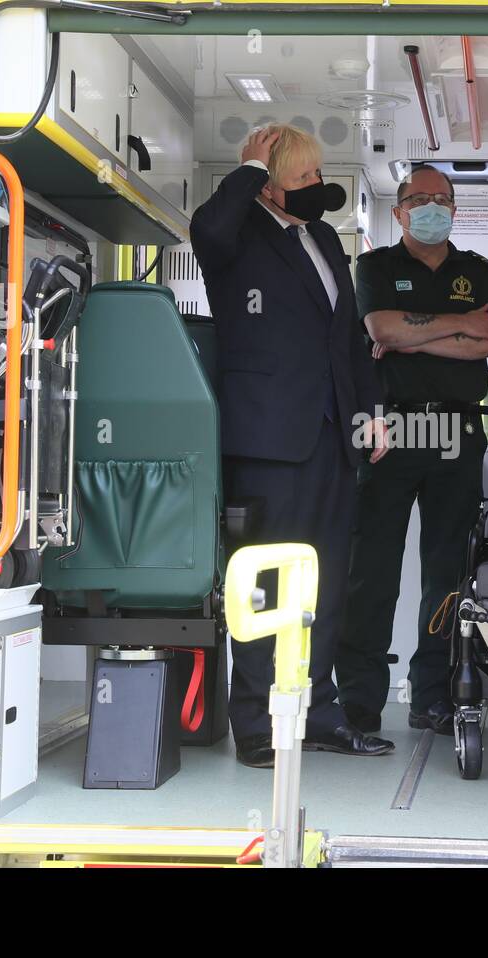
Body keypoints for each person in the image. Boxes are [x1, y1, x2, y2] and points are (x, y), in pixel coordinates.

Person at [190, 124, 395, 768]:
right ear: (270, 184)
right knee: (265, 582)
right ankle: (254, 722)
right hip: (268, 439)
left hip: (334, 436)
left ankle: (318, 713)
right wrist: (248, 166)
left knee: (326, 581)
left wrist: (373, 413)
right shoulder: (235, 236)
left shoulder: (326, 240)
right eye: (302, 178)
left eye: (317, 175)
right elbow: (209, 230)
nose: (315, 187)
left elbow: (349, 340)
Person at [336, 165, 488, 735]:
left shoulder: (478, 271)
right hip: (388, 432)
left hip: (458, 435)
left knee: (448, 572)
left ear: (455, 208)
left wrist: (418, 335)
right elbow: (383, 329)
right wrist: (458, 326)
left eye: (443, 198)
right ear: (401, 209)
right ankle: (360, 700)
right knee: (373, 571)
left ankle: (431, 695)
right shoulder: (376, 266)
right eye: (421, 198)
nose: (433, 206)